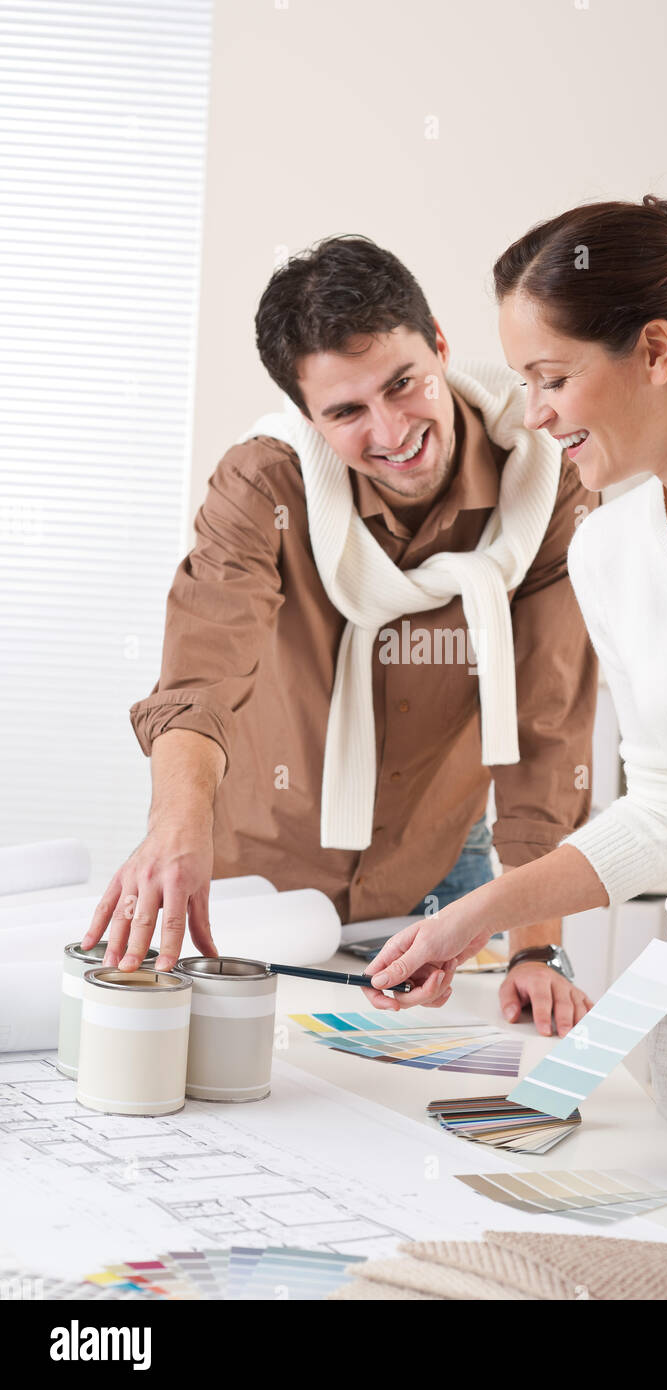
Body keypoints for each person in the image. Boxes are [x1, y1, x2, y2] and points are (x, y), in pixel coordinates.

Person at [366, 196, 667, 1274]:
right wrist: (485, 914)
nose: (532, 413)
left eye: (551, 378)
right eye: (521, 384)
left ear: (651, 352)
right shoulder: (610, 550)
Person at [81, 235, 600, 1036]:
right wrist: (175, 828)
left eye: (404, 384)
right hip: (252, 885)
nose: (393, 431)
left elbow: (548, 718)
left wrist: (537, 948)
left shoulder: (540, 481)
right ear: (305, 415)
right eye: (347, 412)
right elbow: (200, 676)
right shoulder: (266, 482)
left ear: (438, 344)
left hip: (438, 877)